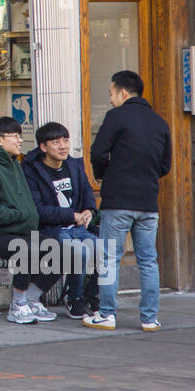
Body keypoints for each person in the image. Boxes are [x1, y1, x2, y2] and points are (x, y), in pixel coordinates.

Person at [86, 70, 171, 332]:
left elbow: (98, 152)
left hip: (119, 200)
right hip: (148, 201)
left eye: (112, 93)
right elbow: (165, 165)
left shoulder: (116, 116)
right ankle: (149, 318)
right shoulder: (160, 123)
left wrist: (104, 174)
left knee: (110, 258)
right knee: (148, 260)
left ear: (123, 92)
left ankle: (107, 314)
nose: (110, 99)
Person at [0, 116, 60, 324]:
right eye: (14, 136)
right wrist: (21, 215)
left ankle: (30, 299)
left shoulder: (14, 163)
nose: (20, 141)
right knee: (26, 248)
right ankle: (18, 305)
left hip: (21, 232)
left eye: (20, 136)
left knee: (63, 251)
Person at [23, 122, 100, 318]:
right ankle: (74, 299)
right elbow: (37, 209)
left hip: (79, 227)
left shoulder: (74, 165)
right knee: (79, 251)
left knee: (106, 249)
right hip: (51, 229)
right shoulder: (32, 170)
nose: (63, 146)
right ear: (43, 147)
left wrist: (89, 210)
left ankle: (93, 296)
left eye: (65, 140)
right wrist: (71, 215)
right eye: (56, 142)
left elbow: (87, 191)